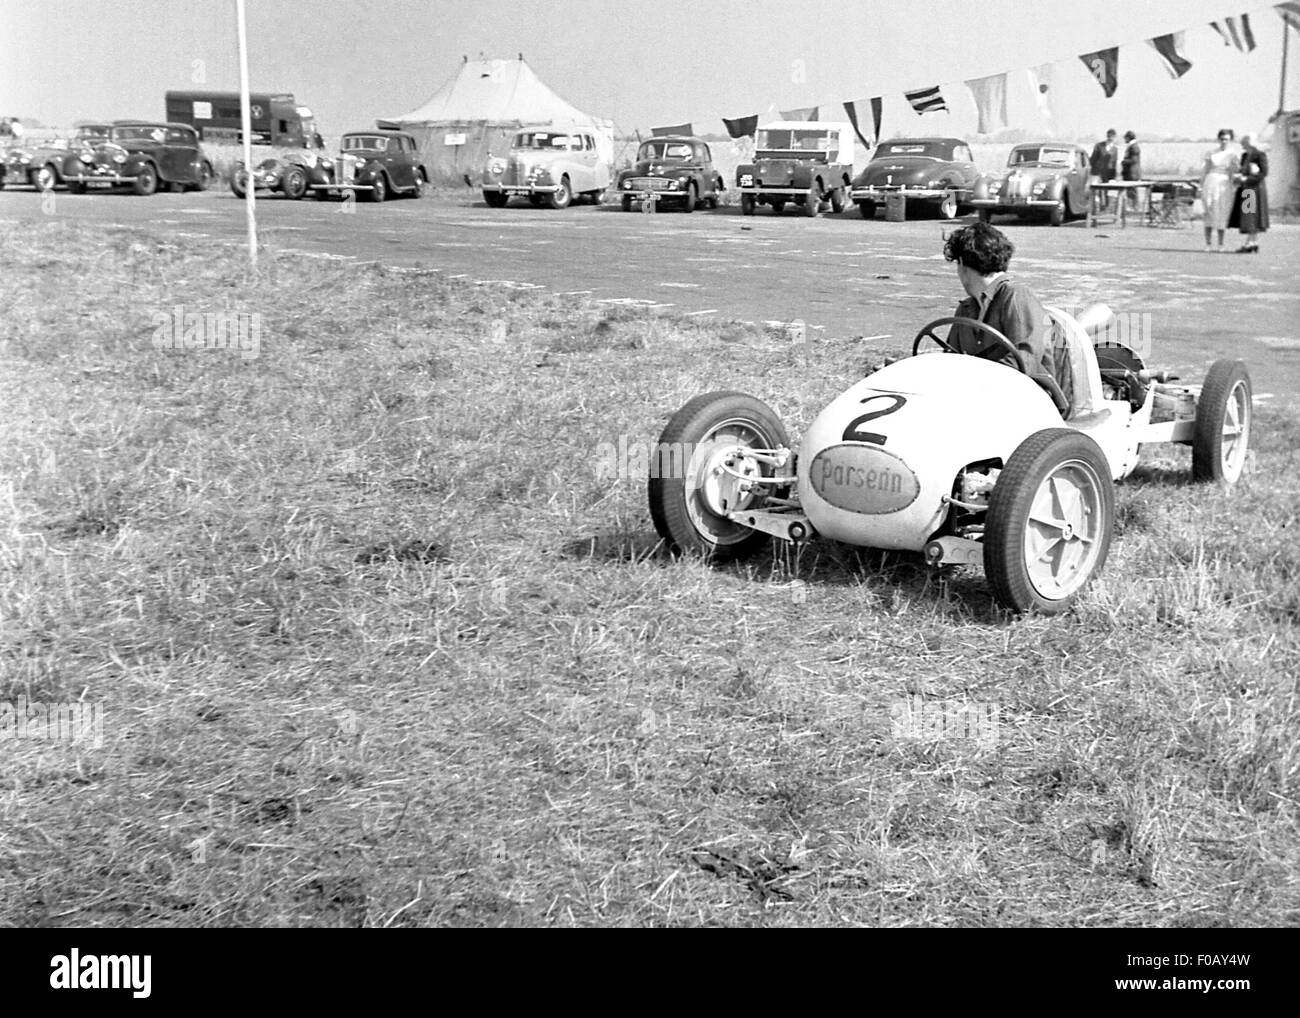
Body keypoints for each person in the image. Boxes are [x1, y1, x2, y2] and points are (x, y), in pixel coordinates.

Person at [942, 222, 1067, 411]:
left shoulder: (1015, 297)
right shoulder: (966, 309)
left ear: (961, 264)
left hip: (1027, 404)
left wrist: (975, 382)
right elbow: (950, 358)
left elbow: (1026, 359)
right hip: (981, 401)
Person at [1200, 128, 1240, 252]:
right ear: (1218, 139)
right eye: (1222, 139)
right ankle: (1208, 243)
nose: (1224, 142)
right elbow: (1205, 170)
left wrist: (1235, 171)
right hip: (1211, 181)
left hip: (1224, 183)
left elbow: (1236, 171)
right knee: (1209, 210)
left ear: (1230, 140)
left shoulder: (1233, 154)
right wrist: (1201, 186)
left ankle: (1221, 244)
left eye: (1226, 139)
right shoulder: (1211, 152)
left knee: (1222, 211)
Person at [1228, 134, 1268, 254]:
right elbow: (1243, 170)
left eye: (1244, 142)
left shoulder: (1260, 155)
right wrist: (1239, 175)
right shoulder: (1245, 155)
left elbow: (1264, 173)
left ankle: (1250, 243)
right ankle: (1253, 242)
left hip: (1254, 188)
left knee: (1251, 215)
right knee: (1248, 215)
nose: (1242, 145)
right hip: (1246, 189)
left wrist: (1248, 179)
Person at [1089, 129, 1119, 209]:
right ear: (1107, 136)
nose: (1110, 138)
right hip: (1097, 171)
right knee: (1096, 190)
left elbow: (1114, 163)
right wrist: (1091, 169)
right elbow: (1093, 158)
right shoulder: (1099, 146)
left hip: (1108, 172)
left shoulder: (1115, 149)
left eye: (1112, 137)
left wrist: (1113, 176)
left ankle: (1105, 206)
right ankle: (1095, 206)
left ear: (1115, 137)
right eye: (1109, 136)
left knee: (1106, 190)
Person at [1121, 130, 1142, 209]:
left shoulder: (1134, 147)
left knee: (1132, 191)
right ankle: (1132, 206)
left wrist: (1123, 161)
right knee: (1130, 191)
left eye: (1125, 138)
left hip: (1132, 173)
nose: (1124, 140)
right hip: (1129, 173)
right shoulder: (1131, 146)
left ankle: (1135, 207)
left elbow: (1134, 160)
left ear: (1128, 138)